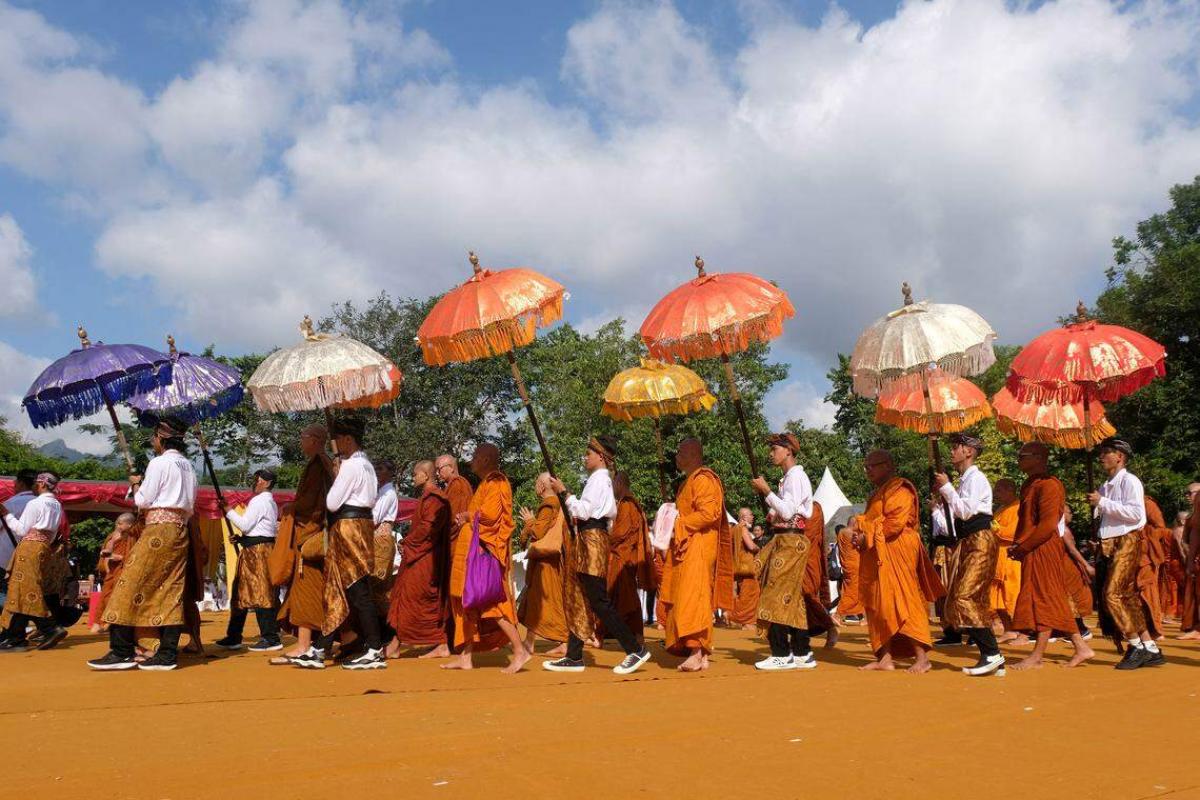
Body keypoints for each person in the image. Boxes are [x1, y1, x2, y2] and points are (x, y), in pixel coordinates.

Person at [88, 418, 198, 671]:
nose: (152, 442)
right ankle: (167, 653)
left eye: (153, 438)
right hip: (180, 531)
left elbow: (143, 501)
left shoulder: (159, 463)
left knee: (127, 584)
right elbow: (191, 504)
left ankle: (122, 650)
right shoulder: (188, 466)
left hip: (158, 529)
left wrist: (136, 484)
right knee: (171, 589)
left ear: (161, 438)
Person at [545, 436, 650, 675]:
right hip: (587, 539)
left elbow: (584, 511)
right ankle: (574, 655)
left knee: (598, 600)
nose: (585, 457)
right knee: (580, 595)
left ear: (601, 456)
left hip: (592, 539)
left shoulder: (600, 481)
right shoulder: (597, 479)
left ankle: (635, 649)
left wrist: (565, 493)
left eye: (589, 453)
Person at [291, 417, 384, 670]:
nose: (337, 444)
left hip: (347, 527)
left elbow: (332, 503)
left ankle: (375, 648)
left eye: (339, 439)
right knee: (346, 587)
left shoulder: (352, 466)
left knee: (354, 589)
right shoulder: (367, 465)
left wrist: (337, 475)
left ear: (347, 439)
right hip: (363, 525)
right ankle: (322, 647)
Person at [847, 450, 943, 674]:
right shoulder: (877, 494)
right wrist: (860, 533)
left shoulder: (900, 489)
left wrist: (866, 534)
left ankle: (922, 657)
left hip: (898, 549)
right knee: (879, 605)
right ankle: (885, 658)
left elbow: (895, 524)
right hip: (879, 553)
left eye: (872, 465)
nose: (867, 470)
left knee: (903, 601)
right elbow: (873, 522)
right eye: (866, 466)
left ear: (888, 465)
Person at [443, 443, 528, 673]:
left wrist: (468, 515)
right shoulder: (485, 484)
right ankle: (466, 656)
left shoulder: (498, 482)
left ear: (487, 459)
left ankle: (520, 651)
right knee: (466, 602)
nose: (471, 460)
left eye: (475, 456)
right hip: (472, 552)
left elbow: (491, 517)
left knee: (490, 603)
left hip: (483, 553)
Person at [1007, 443, 1094, 670]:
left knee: (1044, 596)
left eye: (1022, 455)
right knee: (1047, 597)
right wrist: (1019, 544)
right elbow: (1027, 522)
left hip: (1044, 547)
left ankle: (1037, 656)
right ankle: (1081, 646)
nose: (1018, 460)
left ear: (1038, 457)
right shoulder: (1029, 484)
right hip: (1032, 547)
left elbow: (1047, 525)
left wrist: (1024, 547)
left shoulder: (1050, 486)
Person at [661, 438, 735, 673]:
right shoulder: (687, 482)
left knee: (694, 598)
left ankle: (696, 651)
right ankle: (699, 653)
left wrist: (679, 523)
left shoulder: (703, 479)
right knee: (686, 597)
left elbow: (709, 513)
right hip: (687, 546)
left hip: (699, 546)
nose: (676, 457)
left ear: (693, 454)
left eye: (680, 452)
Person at [1089, 437, 1162, 669]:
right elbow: (1108, 519)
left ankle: (1135, 645)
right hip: (1109, 543)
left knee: (1113, 594)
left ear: (1119, 456)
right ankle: (1150, 647)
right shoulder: (1105, 485)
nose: (1101, 457)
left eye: (1106, 453)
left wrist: (1103, 502)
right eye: (1100, 453)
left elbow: (1136, 515)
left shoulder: (1130, 481)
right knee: (1126, 596)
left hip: (1128, 541)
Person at [932, 433, 1002, 677]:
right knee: (967, 598)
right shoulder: (965, 480)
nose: (951, 452)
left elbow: (966, 512)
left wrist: (947, 488)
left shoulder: (976, 478)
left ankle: (992, 653)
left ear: (969, 451)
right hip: (968, 541)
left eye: (956, 447)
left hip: (980, 540)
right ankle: (992, 656)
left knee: (965, 597)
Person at [750, 432, 819, 671]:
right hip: (788, 540)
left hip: (790, 542)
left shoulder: (795, 477)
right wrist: (772, 508)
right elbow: (785, 511)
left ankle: (781, 652)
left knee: (774, 594)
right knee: (792, 598)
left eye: (775, 449)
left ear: (788, 450)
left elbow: (789, 512)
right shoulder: (789, 478)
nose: (771, 454)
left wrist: (766, 491)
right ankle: (802, 651)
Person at [274, 424, 334, 664]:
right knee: (309, 589)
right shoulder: (322, 462)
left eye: (303, 436)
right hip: (312, 529)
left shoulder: (318, 464)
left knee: (306, 589)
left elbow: (311, 503)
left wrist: (291, 508)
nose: (301, 441)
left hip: (310, 532)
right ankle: (315, 643)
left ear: (315, 439)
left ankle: (303, 645)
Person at [386, 460, 451, 657]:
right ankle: (396, 644)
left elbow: (428, 529)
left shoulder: (435, 499)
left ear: (425, 475)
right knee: (404, 598)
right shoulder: (426, 497)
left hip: (426, 559)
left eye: (415, 474)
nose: (413, 478)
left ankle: (441, 643)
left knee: (416, 599)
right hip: (418, 557)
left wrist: (407, 542)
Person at [0, 472, 68, 652]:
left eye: (37, 483)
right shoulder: (56, 505)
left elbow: (21, 530)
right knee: (21, 589)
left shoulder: (35, 503)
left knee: (25, 589)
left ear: (42, 484)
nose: (34, 486)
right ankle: (15, 635)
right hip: (44, 548)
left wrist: (6, 514)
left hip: (29, 547)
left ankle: (49, 627)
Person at [215, 469, 281, 652]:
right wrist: (242, 539)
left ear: (267, 483)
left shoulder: (260, 501)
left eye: (259, 480)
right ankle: (234, 635)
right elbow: (256, 529)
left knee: (261, 592)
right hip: (254, 548)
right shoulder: (267, 501)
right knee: (240, 593)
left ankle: (271, 637)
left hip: (259, 552)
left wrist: (227, 509)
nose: (255, 482)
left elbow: (245, 525)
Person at [516, 472, 568, 654]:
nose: (535, 485)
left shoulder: (549, 504)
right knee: (545, 601)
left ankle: (558, 641)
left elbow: (538, 533)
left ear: (543, 485)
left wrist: (529, 521)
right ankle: (554, 642)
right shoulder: (558, 503)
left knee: (540, 601)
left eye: (537, 482)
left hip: (545, 560)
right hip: (550, 559)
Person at [429, 453, 473, 659]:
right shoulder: (452, 486)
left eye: (440, 469)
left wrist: (434, 534)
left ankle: (461, 644)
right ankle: (448, 643)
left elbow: (455, 518)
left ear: (451, 467)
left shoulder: (458, 485)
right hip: (452, 547)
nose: (437, 473)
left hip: (457, 548)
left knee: (458, 595)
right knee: (450, 596)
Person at [604, 471, 654, 649]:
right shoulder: (627, 504)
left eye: (613, 484)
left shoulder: (628, 505)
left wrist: (602, 536)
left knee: (626, 598)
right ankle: (608, 633)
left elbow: (620, 533)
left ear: (619, 484)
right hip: (621, 557)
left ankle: (637, 635)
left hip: (624, 558)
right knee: (614, 596)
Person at [369, 459, 400, 649]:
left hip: (380, 541)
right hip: (376, 540)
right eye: (376, 469)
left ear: (390, 472)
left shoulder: (388, 492)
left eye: (380, 468)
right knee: (375, 591)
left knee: (378, 589)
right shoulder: (381, 491)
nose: (377, 472)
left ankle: (389, 634)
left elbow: (374, 518)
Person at [990, 479, 1022, 641]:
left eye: (999, 490)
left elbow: (1013, 533)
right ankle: (1008, 629)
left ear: (1010, 490)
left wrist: (995, 528)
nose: (996, 494)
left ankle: (1023, 632)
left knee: (1013, 594)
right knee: (997, 597)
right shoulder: (1000, 509)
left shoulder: (1018, 508)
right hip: (997, 557)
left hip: (1010, 557)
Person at [0, 469, 37, 601]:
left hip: (5, 559)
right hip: (32, 558)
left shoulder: (10, 504)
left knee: (4, 593)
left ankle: (12, 619)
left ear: (21, 483)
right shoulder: (41, 505)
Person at [1059, 508, 1095, 640]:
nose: (1071, 515)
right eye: (1069, 512)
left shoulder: (1064, 530)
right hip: (1064, 568)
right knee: (1067, 599)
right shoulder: (1060, 528)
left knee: (1072, 599)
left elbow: (1073, 551)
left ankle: (1081, 629)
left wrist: (1086, 566)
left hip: (1069, 569)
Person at [729, 507, 761, 629]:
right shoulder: (742, 528)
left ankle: (734, 617)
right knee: (751, 593)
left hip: (738, 566)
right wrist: (758, 549)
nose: (753, 517)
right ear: (743, 517)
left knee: (741, 593)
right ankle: (746, 621)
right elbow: (750, 546)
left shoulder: (734, 529)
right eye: (751, 515)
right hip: (747, 567)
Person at [1179, 483, 1200, 639]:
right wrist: (1190, 559)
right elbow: (1186, 540)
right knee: (1196, 595)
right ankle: (1196, 628)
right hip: (1195, 560)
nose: (1187, 496)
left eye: (1190, 493)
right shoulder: (1192, 516)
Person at [833, 524, 863, 624]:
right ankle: (837, 614)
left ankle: (863, 616)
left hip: (846, 566)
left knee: (854, 591)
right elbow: (861, 545)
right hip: (854, 566)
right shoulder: (852, 534)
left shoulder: (841, 533)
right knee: (851, 593)